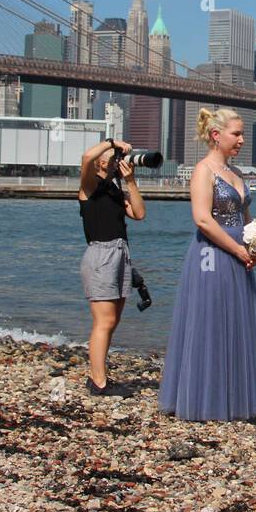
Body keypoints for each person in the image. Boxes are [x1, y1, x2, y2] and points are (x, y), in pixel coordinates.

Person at [159, 107, 256, 421]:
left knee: (236, 322)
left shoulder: (236, 174)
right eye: (236, 134)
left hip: (238, 255)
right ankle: (204, 399)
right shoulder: (203, 171)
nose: (241, 140)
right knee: (210, 323)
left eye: (242, 134)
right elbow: (202, 220)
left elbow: (246, 218)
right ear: (215, 135)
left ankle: (233, 397)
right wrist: (237, 250)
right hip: (211, 255)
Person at [78, 137, 146, 396]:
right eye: (113, 158)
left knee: (112, 321)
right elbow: (86, 158)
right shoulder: (89, 187)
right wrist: (111, 143)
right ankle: (98, 382)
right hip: (101, 255)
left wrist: (131, 182)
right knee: (103, 321)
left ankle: (99, 375)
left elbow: (139, 214)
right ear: (101, 163)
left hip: (120, 254)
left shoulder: (115, 189)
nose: (118, 161)